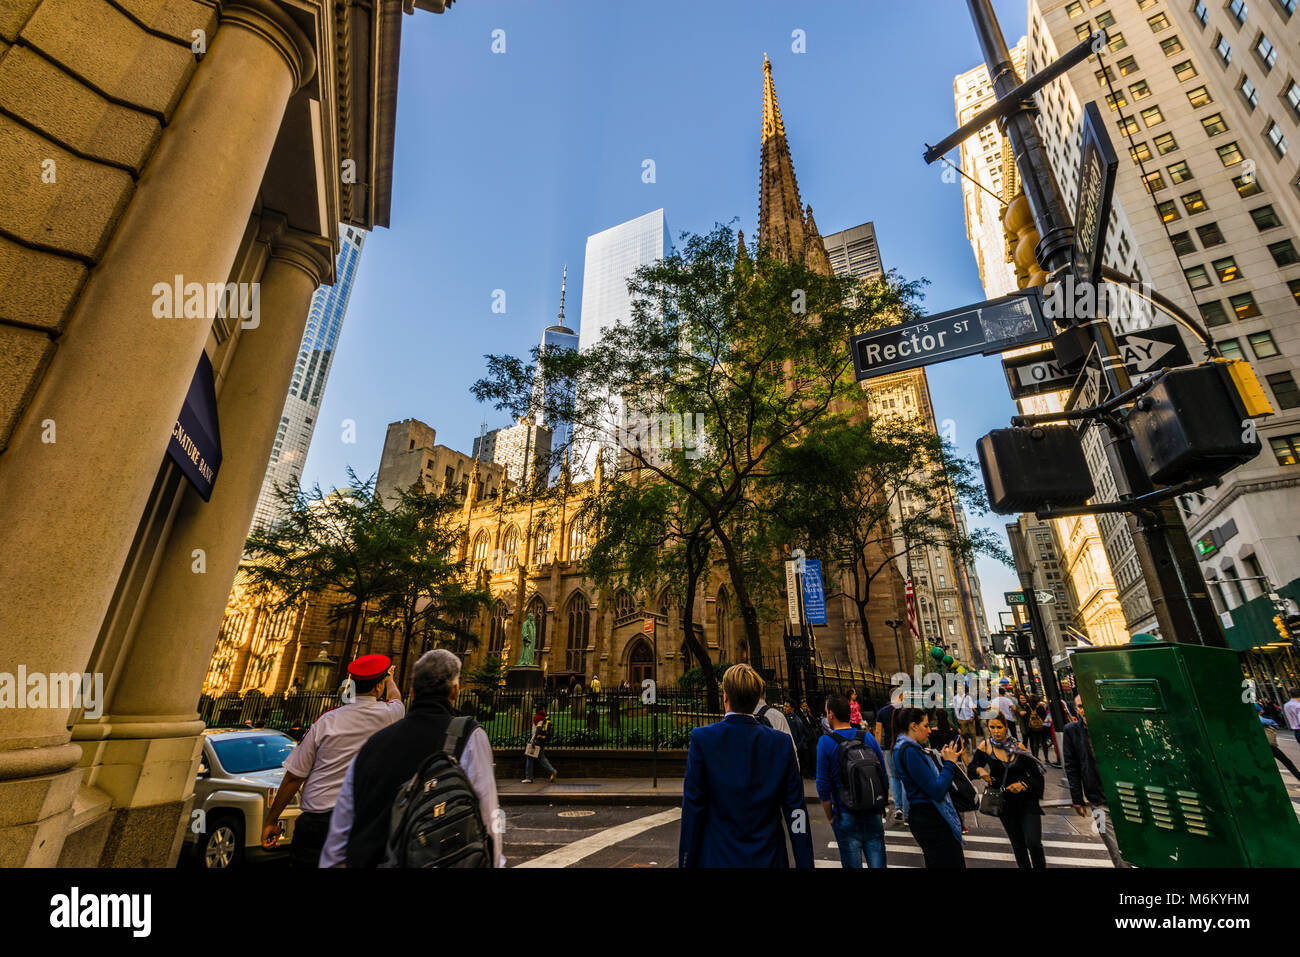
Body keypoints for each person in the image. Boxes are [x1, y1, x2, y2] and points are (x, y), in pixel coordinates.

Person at [320, 649, 504, 868]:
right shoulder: (469, 737)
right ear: (455, 691)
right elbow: (490, 814)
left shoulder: (371, 745)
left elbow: (339, 838)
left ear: (412, 691)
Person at [264, 654, 405, 867]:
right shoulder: (390, 715)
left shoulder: (326, 721)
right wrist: (390, 678)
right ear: (378, 688)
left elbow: (294, 776)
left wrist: (272, 819)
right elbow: (396, 698)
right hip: (361, 822)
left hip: (318, 823)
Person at [679, 664, 814, 868]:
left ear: (725, 697)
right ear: (756, 701)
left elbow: (693, 809)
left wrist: (686, 861)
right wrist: (805, 863)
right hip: (769, 859)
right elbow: (797, 812)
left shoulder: (703, 739)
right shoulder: (781, 743)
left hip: (718, 859)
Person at [817, 693, 888, 868]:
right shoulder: (867, 738)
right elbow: (883, 775)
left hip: (845, 813)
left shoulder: (826, 742)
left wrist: (830, 816)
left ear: (831, 714)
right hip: (872, 812)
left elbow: (822, 785)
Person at [968, 714, 1047, 868]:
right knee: (1018, 845)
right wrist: (980, 770)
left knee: (1033, 842)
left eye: (999, 727)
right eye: (992, 727)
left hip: (1027, 801)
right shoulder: (985, 747)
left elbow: (1037, 778)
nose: (996, 731)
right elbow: (971, 768)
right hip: (1004, 803)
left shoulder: (1019, 747)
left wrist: (1023, 784)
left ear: (1006, 727)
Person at [893, 706, 965, 867]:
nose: (929, 731)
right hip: (930, 818)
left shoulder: (907, 748)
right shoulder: (910, 750)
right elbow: (937, 790)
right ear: (913, 726)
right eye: (925, 726)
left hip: (925, 816)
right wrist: (949, 764)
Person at [1063, 694, 1127, 868]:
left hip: (1124, 798)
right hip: (1097, 801)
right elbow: (1071, 766)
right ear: (1077, 710)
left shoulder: (1112, 726)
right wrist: (1077, 798)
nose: (1084, 710)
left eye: (1086, 705)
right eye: (1080, 706)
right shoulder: (1071, 731)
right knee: (1115, 851)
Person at [875, 698, 907, 825]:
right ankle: (906, 808)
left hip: (889, 747)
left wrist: (877, 749)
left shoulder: (882, 712)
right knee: (905, 777)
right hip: (904, 746)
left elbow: (878, 731)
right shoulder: (905, 711)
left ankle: (898, 807)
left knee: (894, 777)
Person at [523, 704, 558, 784]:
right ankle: (552, 771)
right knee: (541, 758)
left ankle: (529, 777)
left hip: (537, 740)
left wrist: (534, 740)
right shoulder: (544, 716)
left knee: (529, 757)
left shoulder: (539, 717)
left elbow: (538, 728)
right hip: (541, 740)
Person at [1025, 694, 1053, 764]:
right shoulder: (1040, 707)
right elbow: (1045, 717)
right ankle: (1046, 758)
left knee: (1035, 743)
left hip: (1033, 728)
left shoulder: (1028, 707)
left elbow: (1027, 717)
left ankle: (1036, 757)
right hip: (1042, 727)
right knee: (1044, 742)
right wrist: (1047, 727)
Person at [952, 682, 978, 753]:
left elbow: (971, 706)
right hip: (962, 718)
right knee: (963, 733)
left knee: (973, 733)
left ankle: (974, 748)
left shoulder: (968, 697)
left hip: (970, 717)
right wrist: (958, 717)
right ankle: (967, 742)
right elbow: (956, 709)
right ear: (956, 690)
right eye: (958, 688)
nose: (960, 689)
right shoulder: (955, 698)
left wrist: (972, 715)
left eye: (961, 688)